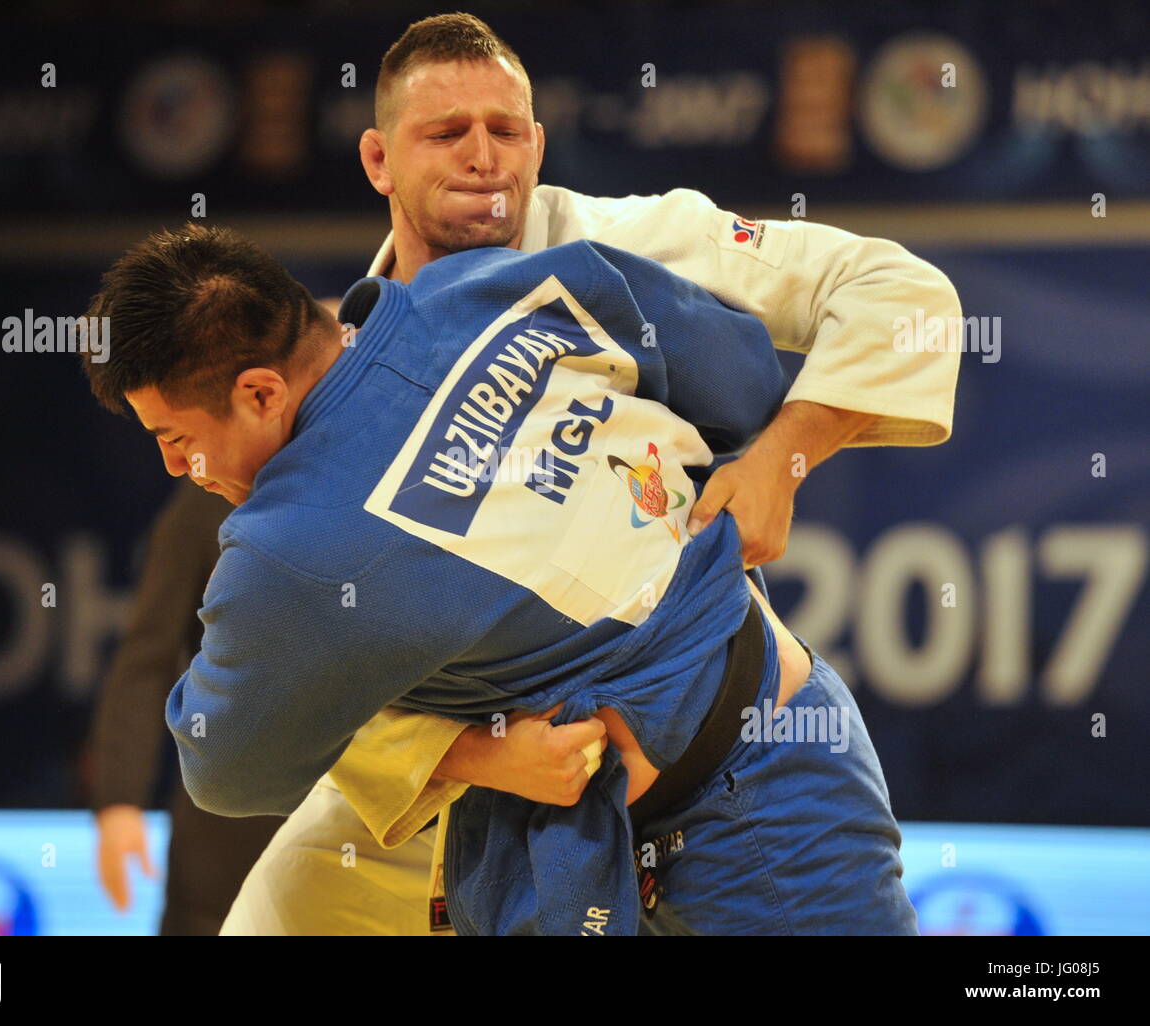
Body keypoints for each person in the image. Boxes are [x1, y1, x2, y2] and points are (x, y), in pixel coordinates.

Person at [219, 13, 960, 935]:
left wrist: (786, 454)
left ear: (536, 142)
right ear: (378, 160)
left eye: (507, 131)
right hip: (459, 791)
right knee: (271, 921)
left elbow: (904, 294)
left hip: (701, 745)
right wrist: (474, 758)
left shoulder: (623, 245)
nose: (484, 157)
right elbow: (304, 670)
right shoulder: (332, 375)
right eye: (447, 133)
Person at [79, 221, 917, 935]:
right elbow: (738, 374)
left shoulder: (286, 553)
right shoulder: (498, 278)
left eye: (175, 437)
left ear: (260, 392)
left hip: (749, 829)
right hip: (760, 751)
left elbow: (226, 770)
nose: (177, 466)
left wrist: (455, 740)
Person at [87, 478, 280, 934]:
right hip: (222, 824)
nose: (174, 462)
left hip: (351, 810)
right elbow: (146, 659)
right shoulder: (205, 499)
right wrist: (119, 799)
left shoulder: (368, 480)